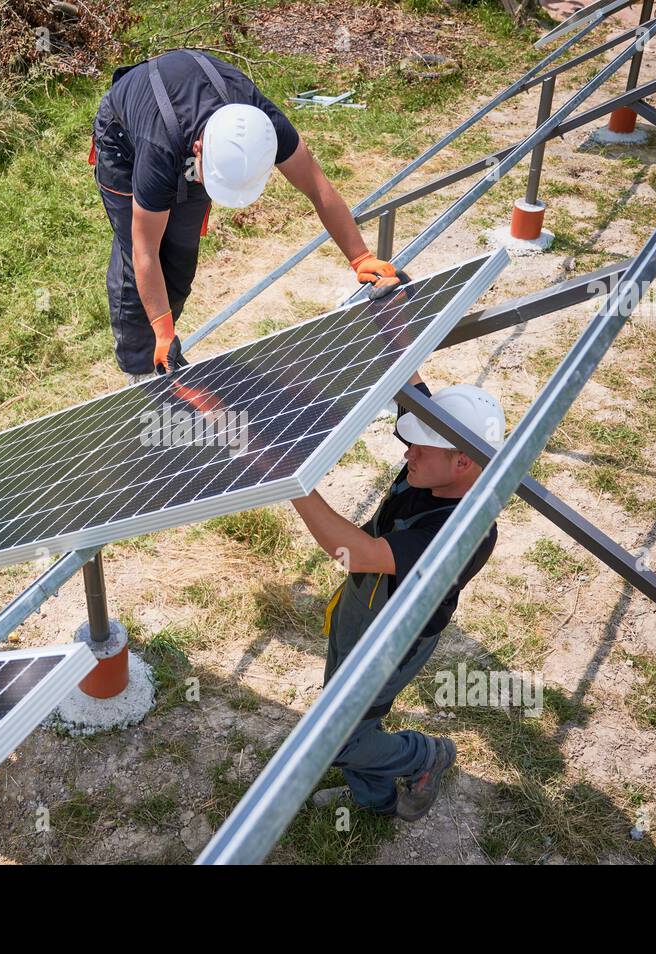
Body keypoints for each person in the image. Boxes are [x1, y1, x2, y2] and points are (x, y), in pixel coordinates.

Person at [90, 48, 408, 383]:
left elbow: (317, 186)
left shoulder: (262, 122)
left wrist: (361, 258)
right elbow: (145, 250)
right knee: (135, 257)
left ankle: (164, 341)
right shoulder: (159, 148)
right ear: (199, 150)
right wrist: (160, 327)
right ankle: (141, 368)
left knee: (179, 261)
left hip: (189, 132)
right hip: (124, 143)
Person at [291, 373, 505, 821]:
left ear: (462, 462)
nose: (407, 452)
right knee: (348, 713)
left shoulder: (463, 533)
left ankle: (424, 756)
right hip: (361, 606)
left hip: (392, 642)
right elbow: (407, 377)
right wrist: (388, 309)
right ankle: (377, 800)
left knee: (337, 739)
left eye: (419, 449)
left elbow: (358, 554)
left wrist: (289, 477)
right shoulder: (440, 449)